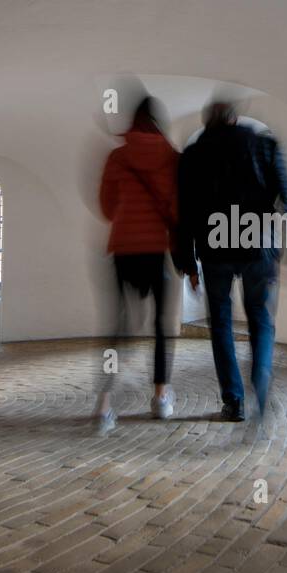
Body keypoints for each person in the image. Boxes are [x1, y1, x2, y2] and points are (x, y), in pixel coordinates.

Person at [175, 99, 287, 424]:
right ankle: (260, 381)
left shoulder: (193, 156)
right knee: (261, 318)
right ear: (234, 120)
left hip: (215, 250)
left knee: (221, 324)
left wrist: (187, 262)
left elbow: (184, 214)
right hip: (259, 245)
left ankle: (234, 401)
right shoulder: (264, 145)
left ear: (208, 123)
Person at [95, 96, 179, 435]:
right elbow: (177, 209)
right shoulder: (171, 157)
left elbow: (106, 207)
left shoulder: (118, 156)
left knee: (117, 328)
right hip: (157, 250)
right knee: (161, 327)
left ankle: (104, 406)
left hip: (124, 250)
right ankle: (160, 399)